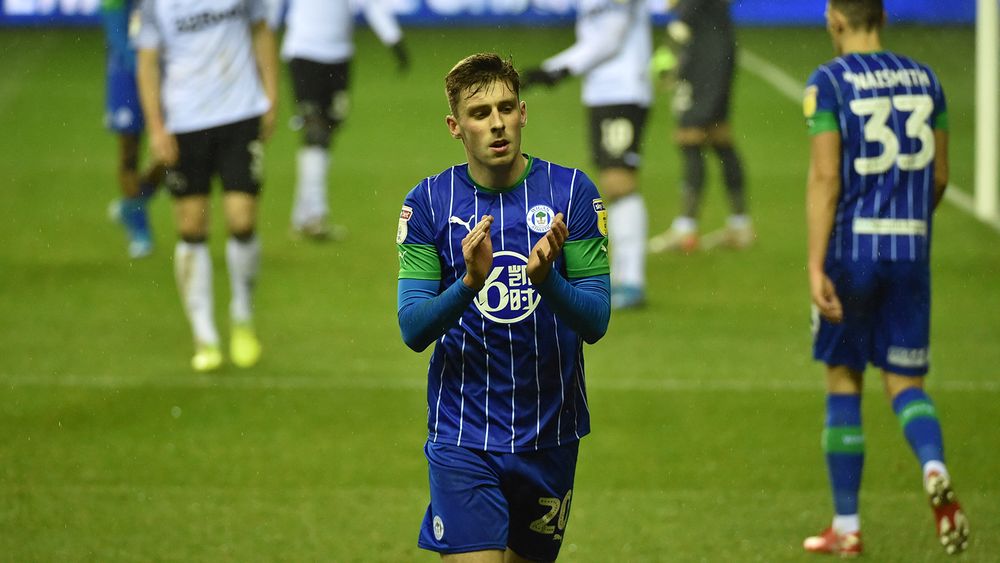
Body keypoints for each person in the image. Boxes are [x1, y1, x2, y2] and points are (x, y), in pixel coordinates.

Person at [396, 53, 611, 561]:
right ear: (455, 126)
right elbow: (413, 327)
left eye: (506, 107)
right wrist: (470, 282)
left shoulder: (573, 193)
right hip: (464, 432)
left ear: (523, 113)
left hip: (551, 434)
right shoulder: (428, 203)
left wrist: (547, 284)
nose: (496, 123)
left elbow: (597, 319)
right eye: (479, 113)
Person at [802, 0, 969, 555]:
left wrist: (815, 262)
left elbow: (827, 177)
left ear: (836, 21)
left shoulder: (829, 82)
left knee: (844, 379)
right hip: (911, 248)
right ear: (883, 17)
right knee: (906, 385)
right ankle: (933, 466)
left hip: (853, 249)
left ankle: (846, 526)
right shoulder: (929, 81)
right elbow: (940, 176)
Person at [135, 0, 279, 372]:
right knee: (191, 228)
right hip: (184, 121)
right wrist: (156, 127)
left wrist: (271, 95)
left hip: (240, 111)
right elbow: (147, 61)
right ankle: (205, 336)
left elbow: (261, 29)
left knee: (241, 220)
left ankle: (242, 318)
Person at [519, 0, 651, 309]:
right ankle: (624, 278)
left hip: (623, 90)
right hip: (603, 93)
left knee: (619, 182)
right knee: (612, 181)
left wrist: (555, 68)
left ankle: (631, 280)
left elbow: (610, 39)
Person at [277, 0, 409, 240]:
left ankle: (303, 216)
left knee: (324, 135)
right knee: (315, 131)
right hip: (303, 52)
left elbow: (371, 5)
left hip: (339, 58)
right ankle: (315, 215)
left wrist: (393, 39)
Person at [648, 0, 754, 253]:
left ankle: (686, 229)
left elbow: (680, 26)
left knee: (690, 137)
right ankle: (741, 226)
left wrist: (665, 58)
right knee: (720, 137)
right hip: (718, 55)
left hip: (705, 62)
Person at [101, 0, 164, 259]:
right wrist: (145, 69)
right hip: (126, 75)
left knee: (172, 153)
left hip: (163, 70)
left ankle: (131, 205)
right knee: (129, 153)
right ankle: (140, 230)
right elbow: (116, 33)